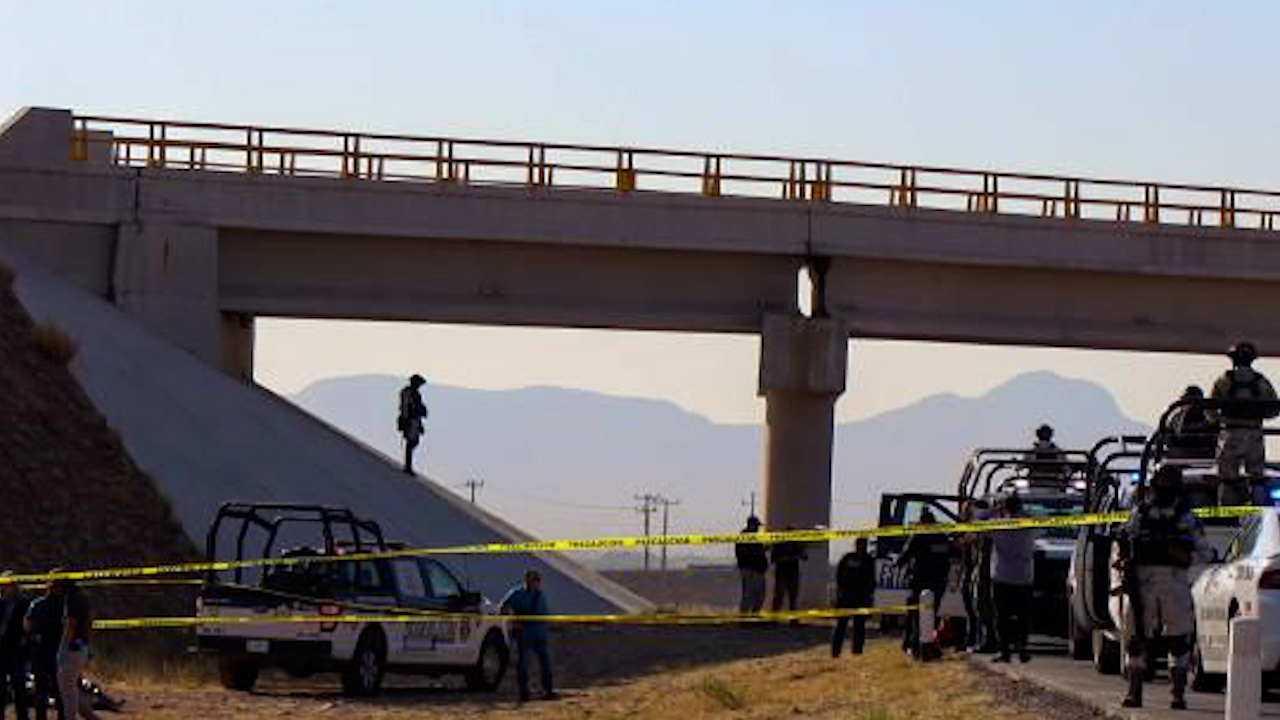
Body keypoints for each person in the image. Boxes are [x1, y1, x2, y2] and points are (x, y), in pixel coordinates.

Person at [1119, 465, 1210, 710]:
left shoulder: (1186, 516)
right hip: (1143, 582)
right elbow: (1125, 540)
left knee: (1178, 640)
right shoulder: (1140, 512)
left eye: (1169, 480)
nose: (1164, 485)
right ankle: (1134, 693)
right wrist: (1125, 561)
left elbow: (1205, 552)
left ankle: (1177, 695)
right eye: (1161, 480)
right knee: (1136, 640)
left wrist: (1184, 556)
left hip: (1174, 581)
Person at [1209, 342, 1278, 505]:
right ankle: (1258, 513)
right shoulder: (1261, 381)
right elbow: (1274, 407)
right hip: (1254, 433)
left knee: (1227, 477)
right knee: (1257, 478)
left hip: (1231, 433)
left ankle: (1228, 513)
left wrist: (1217, 422)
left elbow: (1210, 407)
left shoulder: (1223, 380)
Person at [25, 576, 97, 720]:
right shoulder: (72, 601)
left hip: (51, 652)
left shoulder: (42, 604)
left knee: (48, 692)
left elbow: (28, 626)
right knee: (66, 692)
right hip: (66, 650)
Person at [897, 510, 953, 657]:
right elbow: (952, 554)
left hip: (920, 581)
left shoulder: (917, 537)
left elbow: (904, 557)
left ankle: (914, 646)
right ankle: (928, 646)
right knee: (932, 616)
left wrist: (896, 561)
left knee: (916, 615)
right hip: (938, 582)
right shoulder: (942, 538)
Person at [989, 494, 1034, 664]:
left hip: (1002, 577)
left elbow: (979, 524)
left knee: (1002, 617)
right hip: (1024, 577)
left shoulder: (997, 525)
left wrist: (996, 512)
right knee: (1023, 616)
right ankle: (1022, 647)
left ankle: (1005, 651)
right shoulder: (1029, 524)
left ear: (1004, 508)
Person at [500, 570, 556, 702]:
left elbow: (544, 613)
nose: (537, 583)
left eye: (537, 580)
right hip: (525, 634)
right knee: (524, 664)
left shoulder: (540, 595)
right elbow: (503, 608)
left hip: (540, 634)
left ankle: (548, 690)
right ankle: (524, 693)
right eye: (534, 580)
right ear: (528, 581)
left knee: (545, 663)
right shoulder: (517, 594)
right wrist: (513, 621)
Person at [831, 538, 876, 657]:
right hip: (846, 596)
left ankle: (857, 652)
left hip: (860, 597)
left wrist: (869, 596)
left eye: (864, 545)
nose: (862, 548)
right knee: (841, 626)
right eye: (860, 545)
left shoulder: (868, 560)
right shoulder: (847, 558)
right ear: (856, 545)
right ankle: (835, 652)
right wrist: (840, 591)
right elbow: (839, 576)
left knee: (859, 627)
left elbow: (871, 580)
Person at [0, 573, 30, 720]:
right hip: (1, 650)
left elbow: (29, 627)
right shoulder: (0, 602)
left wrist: (24, 641)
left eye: (7, 584)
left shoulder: (25, 603)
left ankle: (23, 717)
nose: (4, 587)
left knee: (19, 687)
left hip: (17, 651)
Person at [1165, 386, 1219, 460]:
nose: (1192, 405)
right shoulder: (1176, 417)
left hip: (1204, 457)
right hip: (1179, 457)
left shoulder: (1209, 417)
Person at [734, 516, 768, 619]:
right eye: (756, 525)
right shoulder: (745, 537)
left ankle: (753, 616)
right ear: (751, 525)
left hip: (756, 569)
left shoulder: (754, 537)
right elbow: (745, 553)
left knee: (759, 595)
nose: (758, 528)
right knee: (748, 595)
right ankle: (745, 618)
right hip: (750, 569)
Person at [769, 529, 807, 616]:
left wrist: (802, 550)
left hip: (792, 574)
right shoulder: (779, 545)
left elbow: (804, 557)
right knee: (779, 597)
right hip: (782, 574)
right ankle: (775, 618)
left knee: (792, 598)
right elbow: (773, 559)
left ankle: (792, 618)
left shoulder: (795, 545)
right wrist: (786, 558)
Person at [397, 374, 429, 475]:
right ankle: (408, 466)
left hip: (411, 420)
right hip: (411, 421)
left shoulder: (409, 393)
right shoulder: (411, 393)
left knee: (412, 442)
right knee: (411, 442)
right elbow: (411, 408)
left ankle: (408, 465)